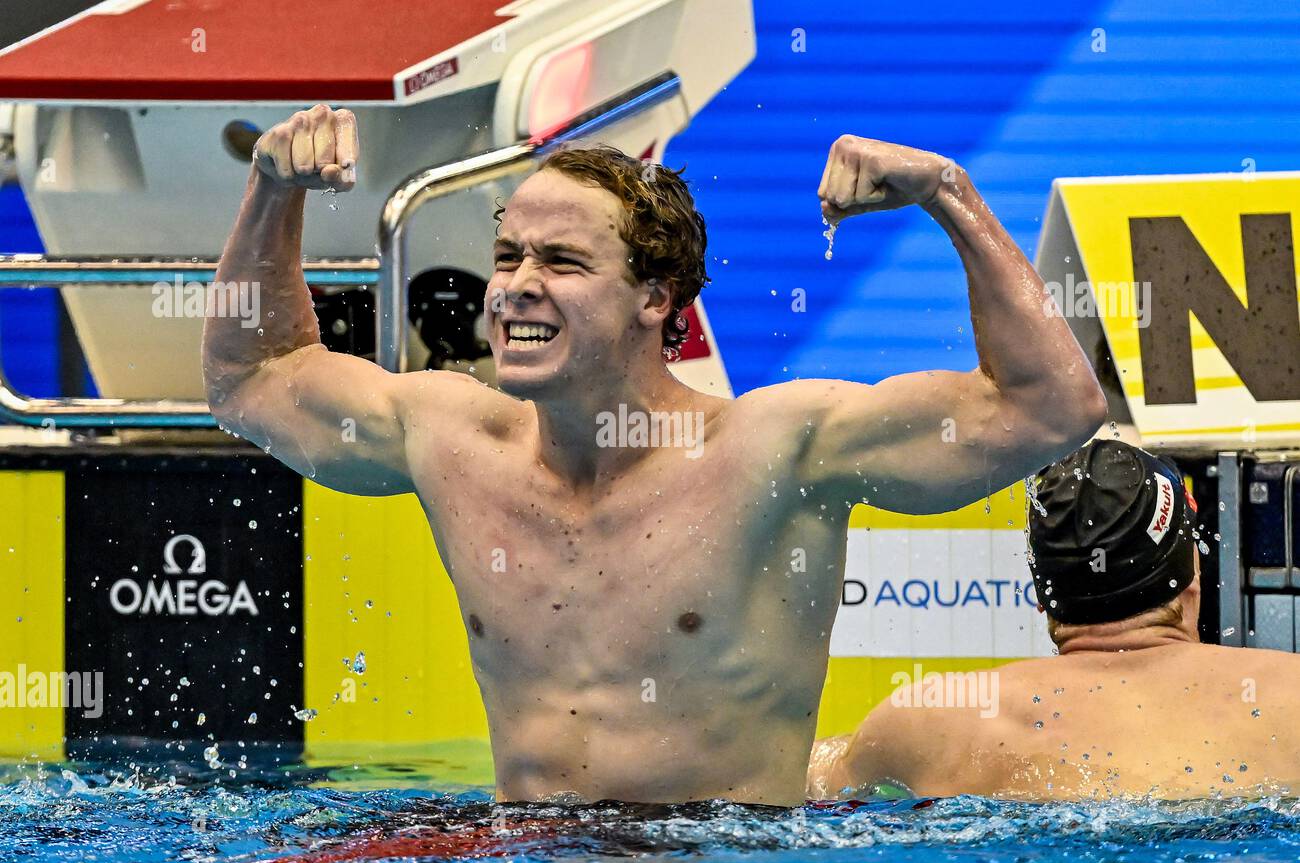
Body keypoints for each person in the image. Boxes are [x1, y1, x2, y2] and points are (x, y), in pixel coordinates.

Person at [202, 104, 1105, 807]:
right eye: (508, 253)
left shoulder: (778, 452)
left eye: (562, 261)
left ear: (653, 299)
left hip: (726, 851)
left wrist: (949, 193)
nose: (515, 284)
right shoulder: (450, 438)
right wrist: (272, 191)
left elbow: (1051, 407)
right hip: (526, 847)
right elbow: (251, 378)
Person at [808, 439, 1300, 801]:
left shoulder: (925, 722)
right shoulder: (1289, 699)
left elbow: (780, 783)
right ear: (1192, 569)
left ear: (1042, 593)